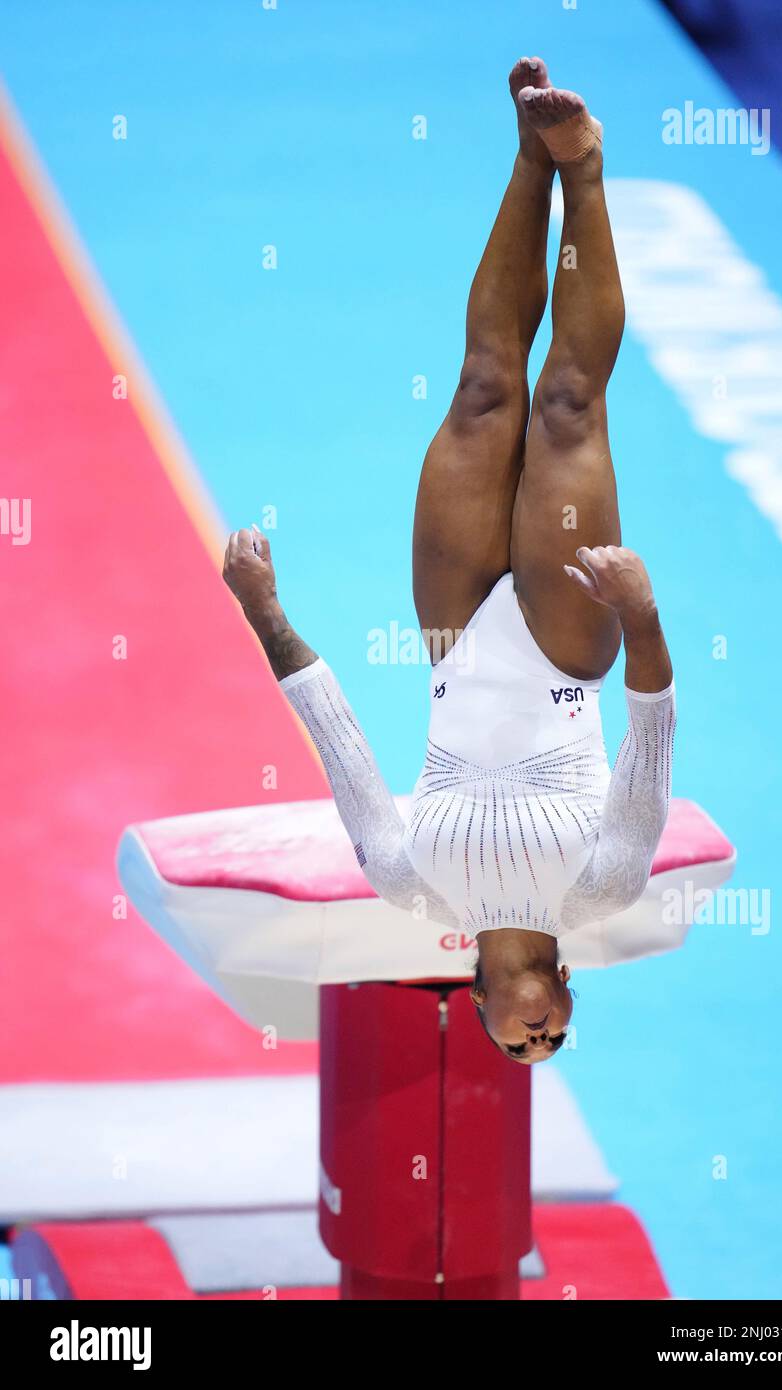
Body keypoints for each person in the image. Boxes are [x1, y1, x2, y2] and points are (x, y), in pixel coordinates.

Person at [223, 59, 675, 1065]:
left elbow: (337, 740)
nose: (541, 1032)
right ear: (564, 988)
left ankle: (528, 155)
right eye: (556, 1033)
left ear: (474, 1005)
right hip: (568, 649)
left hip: (453, 632)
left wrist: (266, 612)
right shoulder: (604, 889)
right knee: (565, 402)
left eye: (521, 1045)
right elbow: (647, 745)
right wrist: (641, 619)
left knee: (480, 387)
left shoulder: (406, 879)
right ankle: (586, 169)